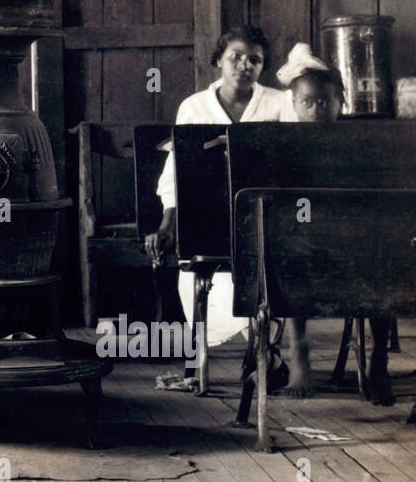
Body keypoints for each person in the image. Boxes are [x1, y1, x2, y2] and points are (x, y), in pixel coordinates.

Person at [144, 26, 292, 360]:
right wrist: (167, 225)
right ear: (219, 61)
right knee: (201, 260)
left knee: (271, 262)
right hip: (210, 218)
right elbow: (175, 174)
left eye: (254, 60)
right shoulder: (194, 107)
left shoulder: (279, 102)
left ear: (262, 67)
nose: (244, 65)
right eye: (235, 57)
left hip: (264, 216)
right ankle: (211, 353)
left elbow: (291, 164)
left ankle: (266, 344)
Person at [275, 44, 399, 402]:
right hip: (305, 240)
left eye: (325, 102)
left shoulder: (360, 143)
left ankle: (378, 358)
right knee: (290, 254)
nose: (316, 110)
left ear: (341, 103)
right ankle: (298, 349)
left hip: (353, 239)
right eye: (307, 103)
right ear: (294, 104)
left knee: (381, 257)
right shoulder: (285, 142)